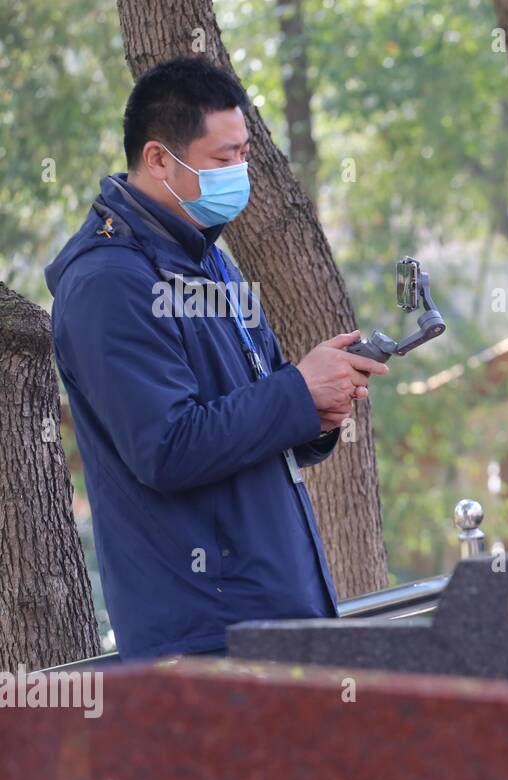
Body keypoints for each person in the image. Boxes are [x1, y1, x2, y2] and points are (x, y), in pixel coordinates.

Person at [44, 57, 389, 660]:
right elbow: (167, 446)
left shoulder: (207, 257)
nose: (240, 172)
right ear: (157, 159)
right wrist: (297, 394)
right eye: (223, 158)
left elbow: (256, 402)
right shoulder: (108, 281)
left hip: (278, 610)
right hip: (208, 635)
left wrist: (319, 406)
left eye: (244, 154)